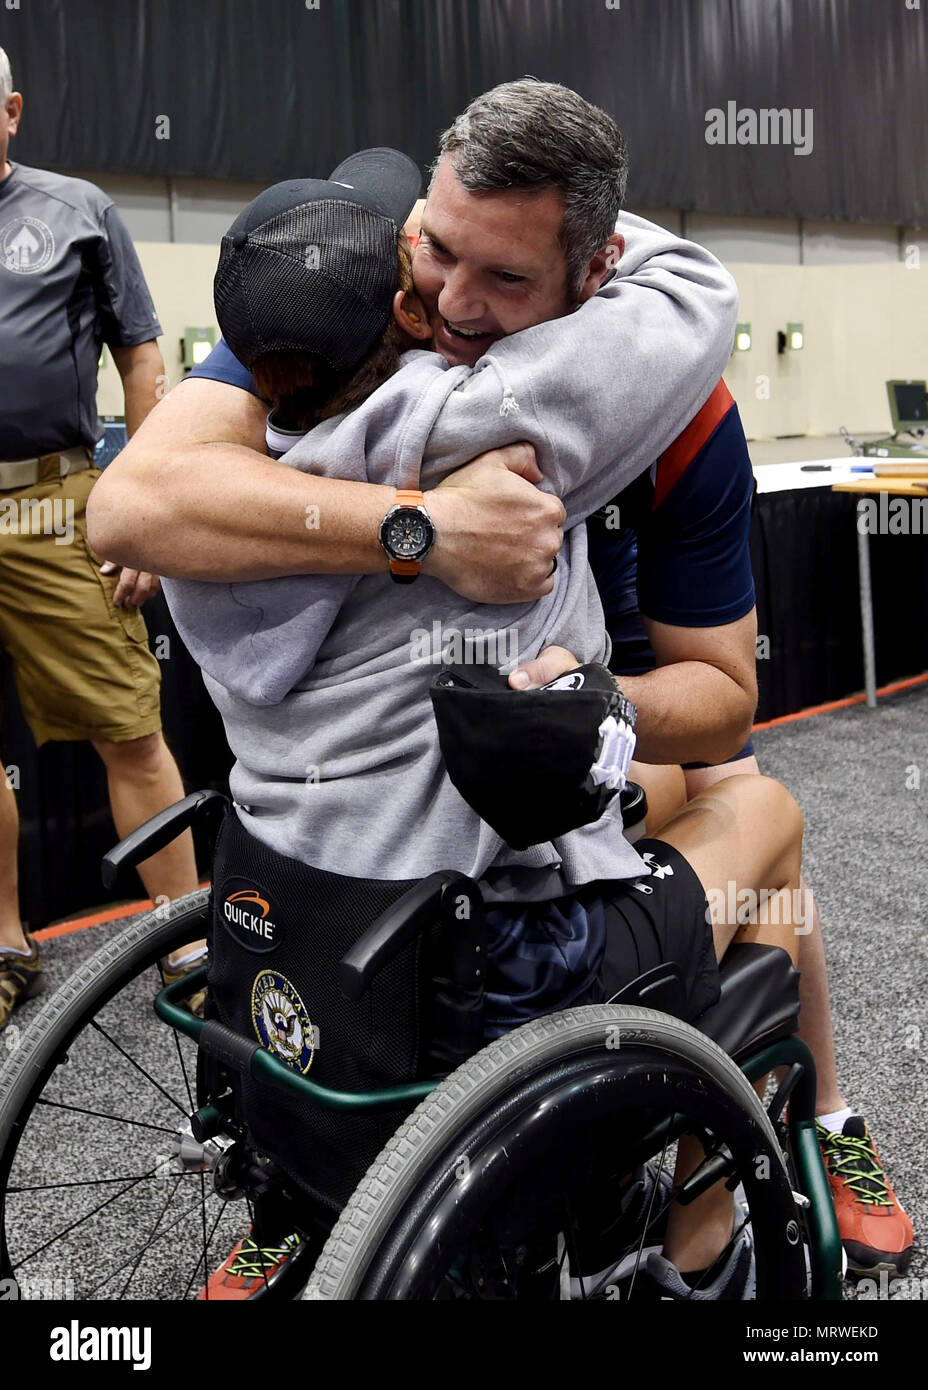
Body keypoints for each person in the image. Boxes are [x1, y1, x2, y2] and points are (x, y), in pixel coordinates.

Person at [91, 79, 910, 1280]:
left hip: (573, 702)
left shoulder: (679, 419)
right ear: (401, 231)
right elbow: (132, 505)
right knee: (757, 830)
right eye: (434, 252)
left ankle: (809, 1137)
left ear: (596, 277)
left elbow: (722, 695)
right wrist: (420, 526)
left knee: (719, 785)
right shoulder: (349, 317)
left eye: (507, 281)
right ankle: (709, 1211)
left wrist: (597, 704)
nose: (449, 306)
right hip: (459, 897)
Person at [0, 46, 200, 1031]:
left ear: (11, 110)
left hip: (52, 501)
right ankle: (5, 950)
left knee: (129, 728)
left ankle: (190, 950)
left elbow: (142, 353)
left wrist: (139, 496)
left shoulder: (76, 208)